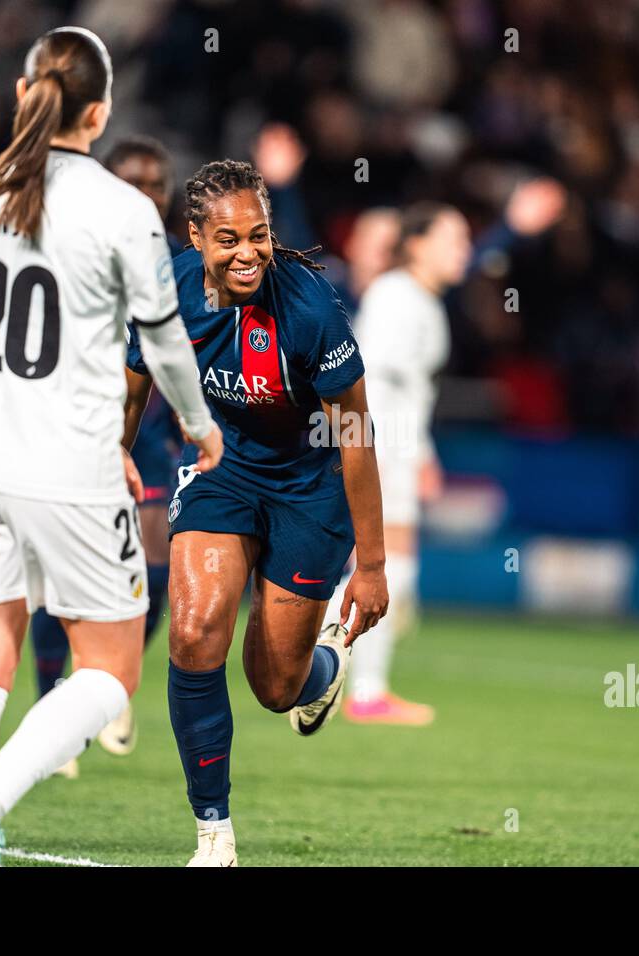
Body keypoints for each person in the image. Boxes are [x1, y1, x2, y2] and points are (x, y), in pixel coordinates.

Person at [0, 27, 220, 866]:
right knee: (110, 668)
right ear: (99, 112)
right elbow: (164, 343)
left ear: (26, 95)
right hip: (67, 464)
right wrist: (201, 429)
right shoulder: (123, 210)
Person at [163, 159, 388, 866]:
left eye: (258, 235)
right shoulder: (167, 290)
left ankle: (322, 668)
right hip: (221, 470)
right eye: (228, 238)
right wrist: (113, 459)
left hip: (307, 491)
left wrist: (373, 567)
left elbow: (355, 434)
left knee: (274, 687)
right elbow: (135, 373)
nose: (248, 253)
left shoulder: (311, 309)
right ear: (194, 237)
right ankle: (214, 835)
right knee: (197, 628)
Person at [28, 135, 185, 775]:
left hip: (149, 439)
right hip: (70, 429)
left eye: (157, 184)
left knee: (159, 574)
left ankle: (109, 683)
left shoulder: (178, 263)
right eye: (134, 182)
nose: (147, 193)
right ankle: (51, 708)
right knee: (61, 578)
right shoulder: (69, 252)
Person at [327, 203, 471, 725]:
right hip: (382, 443)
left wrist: (422, 453)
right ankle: (337, 677)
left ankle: (350, 680)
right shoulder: (398, 297)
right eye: (453, 239)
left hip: (396, 444)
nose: (465, 251)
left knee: (388, 570)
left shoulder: (419, 300)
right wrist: (383, 454)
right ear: (416, 244)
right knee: (388, 568)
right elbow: (365, 381)